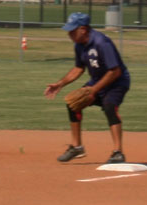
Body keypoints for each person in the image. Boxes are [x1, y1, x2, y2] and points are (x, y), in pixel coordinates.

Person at [42, 12, 130, 164]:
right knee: (73, 104)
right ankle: (77, 147)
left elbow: (115, 71)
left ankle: (118, 152)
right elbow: (78, 69)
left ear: (83, 29)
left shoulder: (102, 43)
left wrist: (93, 90)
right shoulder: (79, 45)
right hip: (97, 80)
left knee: (110, 107)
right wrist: (60, 83)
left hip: (117, 82)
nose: (69, 34)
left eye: (72, 30)